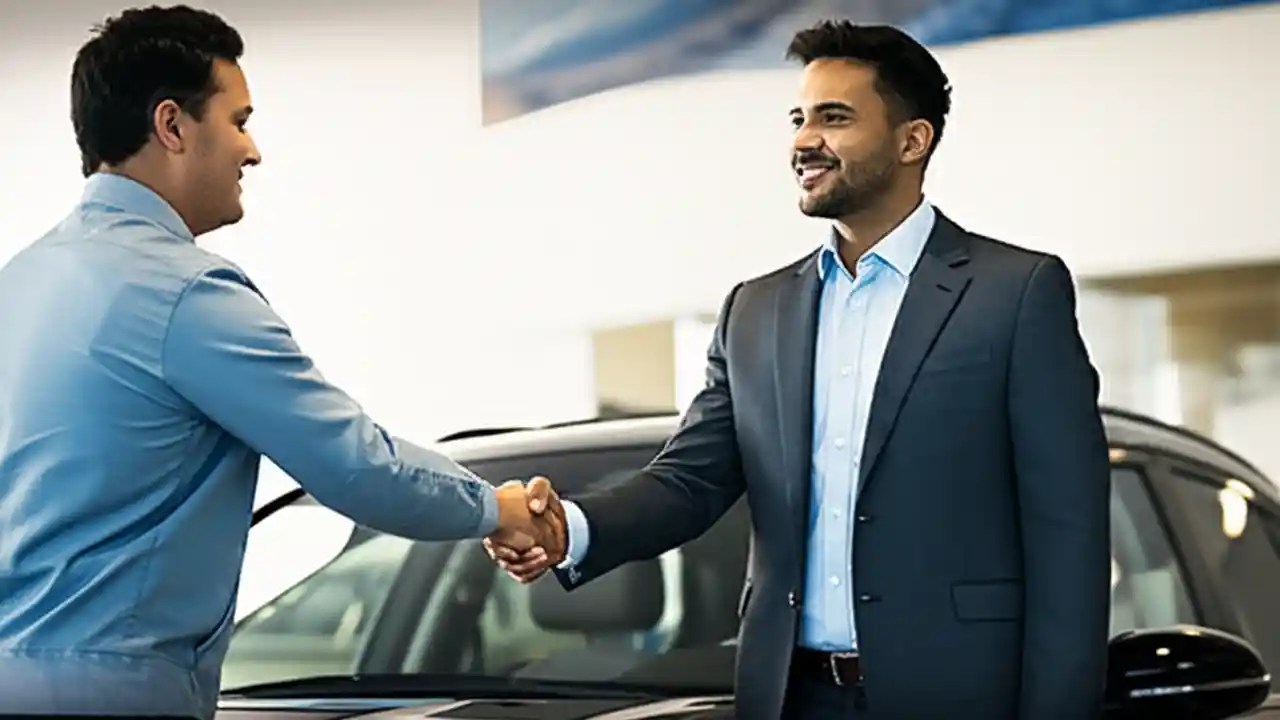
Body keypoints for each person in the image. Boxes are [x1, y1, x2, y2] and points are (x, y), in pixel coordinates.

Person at [487, 19, 1111, 720]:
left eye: (834, 118)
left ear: (913, 140)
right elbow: (688, 480)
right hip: (789, 697)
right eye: (798, 119)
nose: (803, 141)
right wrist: (569, 527)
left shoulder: (1016, 294)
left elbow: (1070, 538)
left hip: (960, 699)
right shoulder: (755, 310)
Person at [0, 6, 561, 719]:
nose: (253, 150)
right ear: (171, 126)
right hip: (115, 693)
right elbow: (356, 466)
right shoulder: (185, 292)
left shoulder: (18, 283)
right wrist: (496, 507)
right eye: (238, 120)